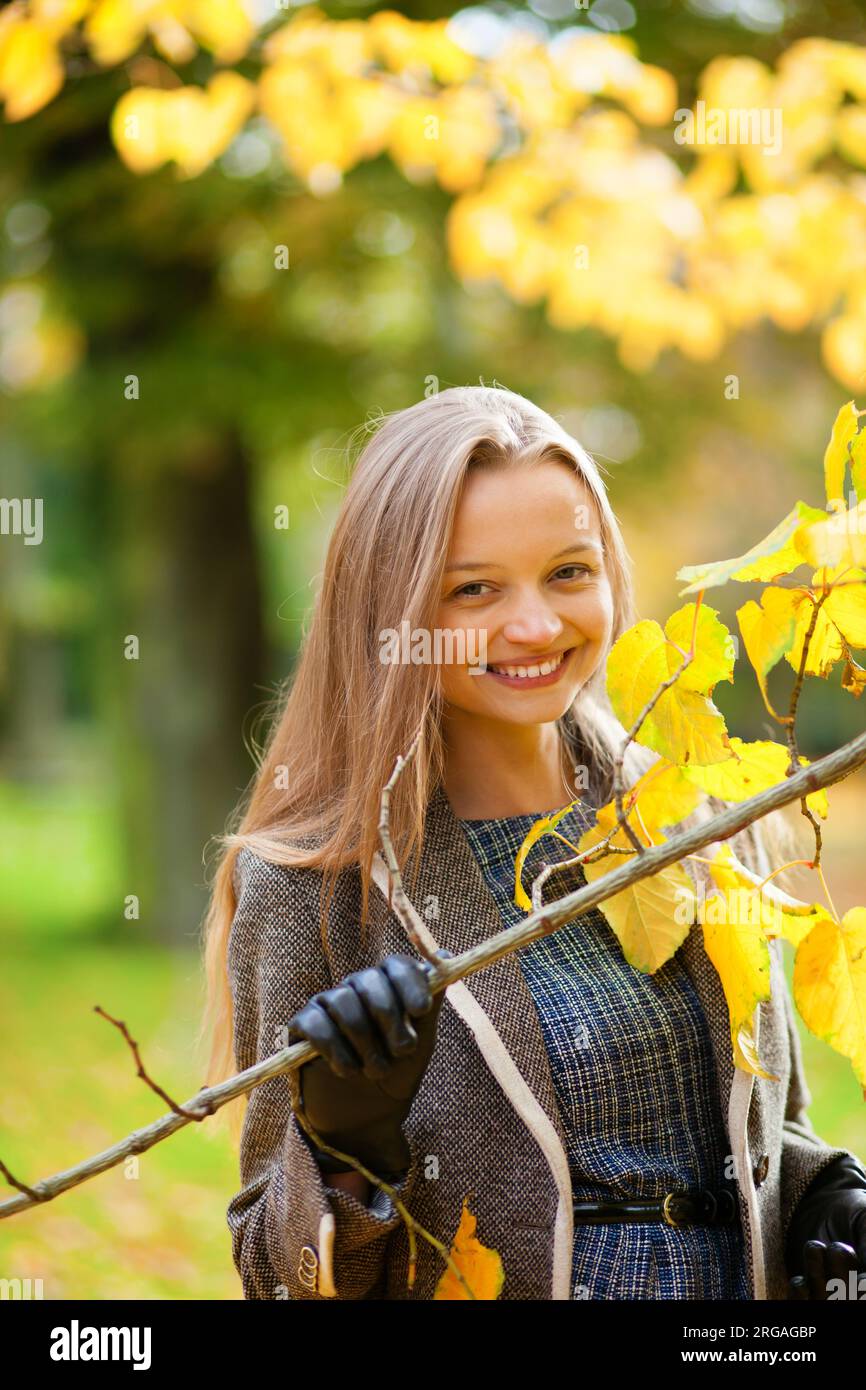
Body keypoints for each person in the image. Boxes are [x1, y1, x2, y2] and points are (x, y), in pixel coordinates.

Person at [201, 384, 866, 1300]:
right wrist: (346, 1155)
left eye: (568, 572)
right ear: (391, 614)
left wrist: (824, 1194)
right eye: (474, 589)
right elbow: (280, 1283)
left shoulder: (701, 826)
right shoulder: (313, 886)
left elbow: (769, 1134)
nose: (536, 626)